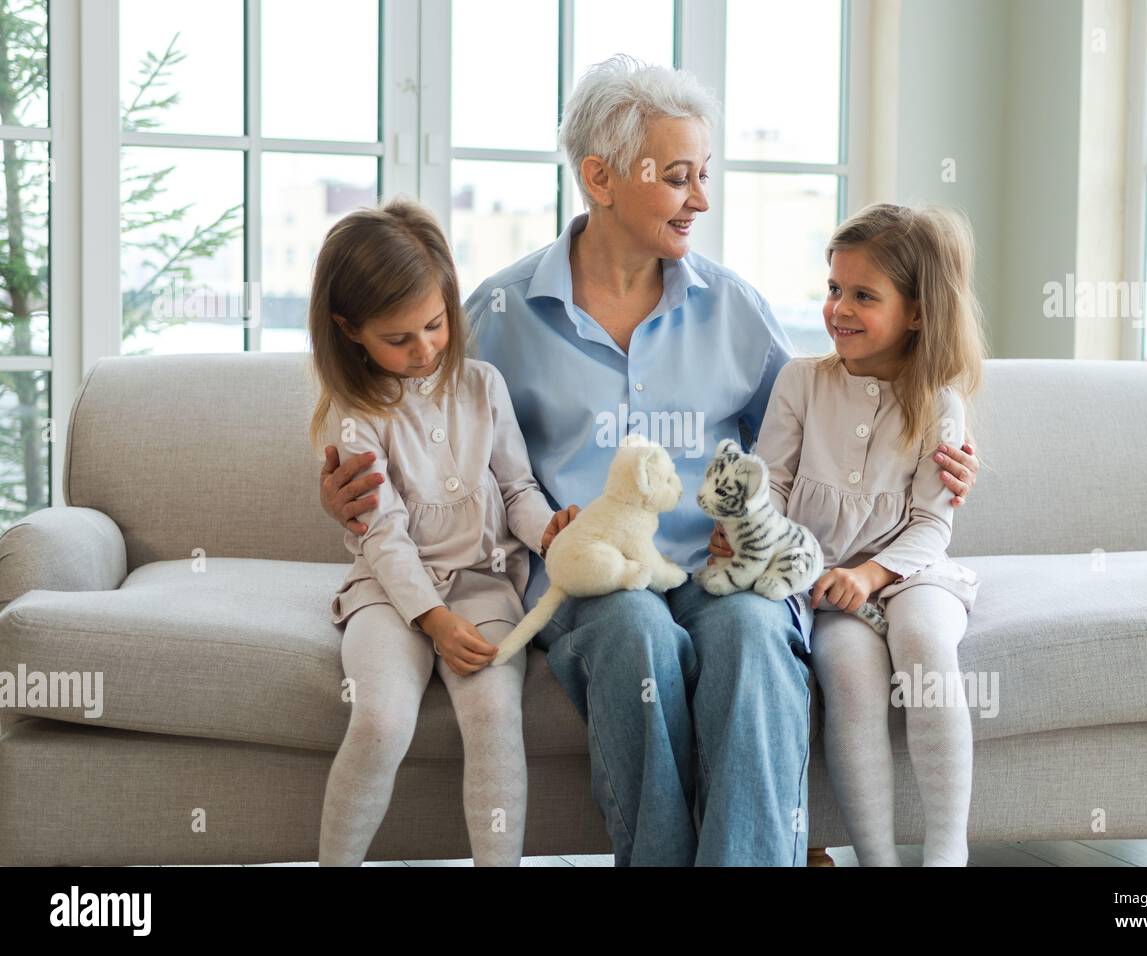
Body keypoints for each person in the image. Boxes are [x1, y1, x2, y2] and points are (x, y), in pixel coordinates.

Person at [318, 57, 982, 866]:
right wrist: (344, 487)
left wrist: (939, 456)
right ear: (600, 176)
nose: (701, 198)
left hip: (719, 567)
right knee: (633, 630)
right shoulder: (498, 312)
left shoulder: (733, 308)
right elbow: (402, 407)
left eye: (703, 175)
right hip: (588, 578)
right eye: (677, 178)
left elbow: (837, 414)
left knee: (750, 633)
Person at [306, 198, 579, 866]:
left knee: (494, 721)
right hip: (389, 595)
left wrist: (551, 535)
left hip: (486, 587)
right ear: (350, 330)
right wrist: (429, 618)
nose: (425, 349)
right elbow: (383, 534)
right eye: (400, 339)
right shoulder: (357, 414)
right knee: (380, 721)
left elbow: (518, 490)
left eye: (435, 325)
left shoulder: (484, 386)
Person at [755, 202, 986, 866]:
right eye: (833, 289)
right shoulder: (802, 381)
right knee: (849, 678)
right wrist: (752, 536)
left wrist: (870, 576)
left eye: (863, 295)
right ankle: (877, 859)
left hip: (910, 574)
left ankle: (947, 849)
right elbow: (769, 481)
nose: (839, 308)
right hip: (825, 579)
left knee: (923, 643)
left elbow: (930, 525)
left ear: (915, 312)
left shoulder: (939, 402)